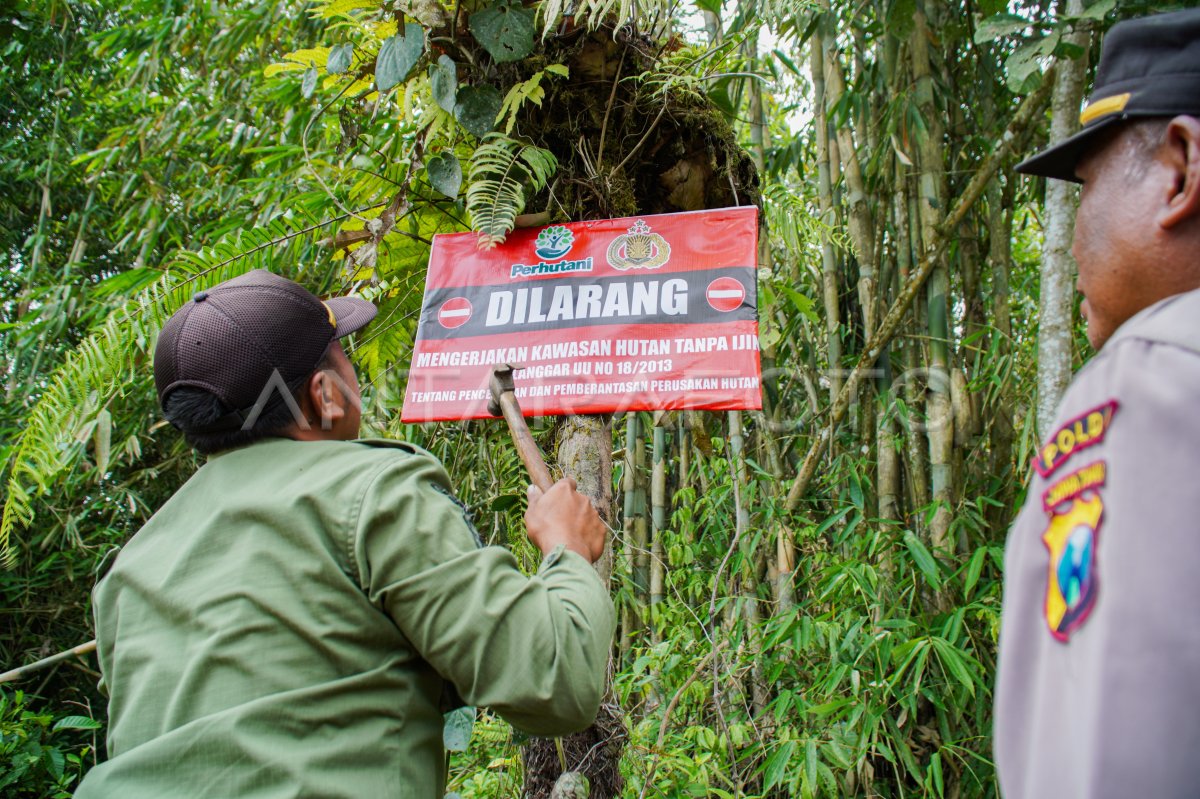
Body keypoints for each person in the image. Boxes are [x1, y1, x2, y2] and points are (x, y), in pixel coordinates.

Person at [74, 269, 615, 798]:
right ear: (327, 394)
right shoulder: (372, 491)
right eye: (346, 358)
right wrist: (566, 548)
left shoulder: (130, 569)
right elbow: (556, 683)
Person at [996, 9, 1200, 798]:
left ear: (1179, 169)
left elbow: (1109, 751)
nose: (1075, 234)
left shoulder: (1151, 378)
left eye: (1087, 188)